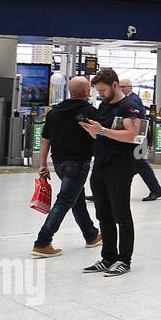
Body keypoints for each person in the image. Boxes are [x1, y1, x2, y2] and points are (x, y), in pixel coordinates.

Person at [79, 68, 145, 277]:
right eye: (98, 90)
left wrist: (102, 131)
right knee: (103, 214)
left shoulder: (130, 106)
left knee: (121, 213)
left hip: (120, 167)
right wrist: (93, 132)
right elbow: (103, 133)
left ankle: (124, 259)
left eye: (103, 90)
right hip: (100, 165)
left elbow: (132, 135)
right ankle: (108, 256)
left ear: (115, 85)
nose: (100, 94)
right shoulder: (104, 105)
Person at [32, 76, 102, 257]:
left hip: (59, 162)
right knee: (64, 201)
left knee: (75, 198)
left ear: (69, 91)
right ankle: (42, 242)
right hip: (78, 162)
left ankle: (91, 234)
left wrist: (42, 164)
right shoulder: (90, 112)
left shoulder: (54, 112)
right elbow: (98, 136)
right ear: (87, 92)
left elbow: (45, 139)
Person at [118, 79, 161, 201]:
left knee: (140, 164)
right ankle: (105, 192)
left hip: (136, 138)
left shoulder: (132, 100)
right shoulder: (127, 99)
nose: (119, 88)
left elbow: (135, 121)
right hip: (134, 138)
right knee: (128, 165)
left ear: (129, 87)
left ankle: (156, 190)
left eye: (122, 86)